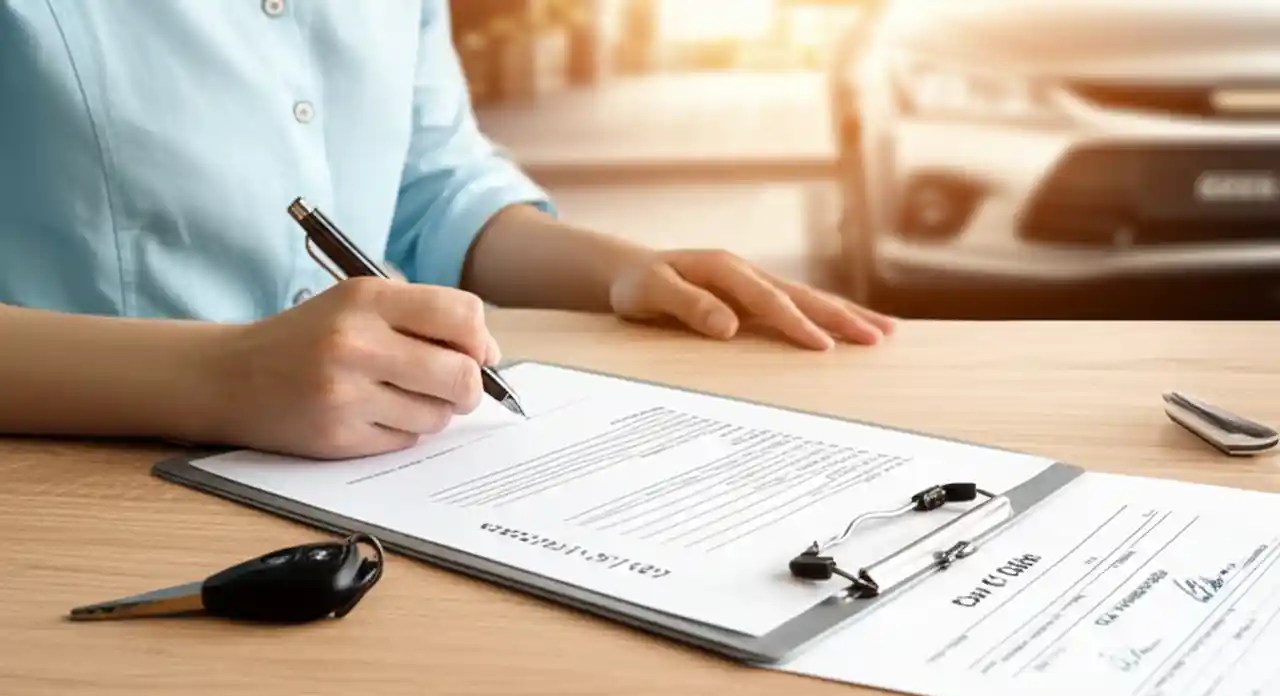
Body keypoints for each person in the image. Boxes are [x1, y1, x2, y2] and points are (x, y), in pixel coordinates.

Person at [0, 1, 894, 460]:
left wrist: (619, 270)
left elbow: (431, 182)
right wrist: (222, 378)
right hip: (74, 497)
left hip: (370, 476)